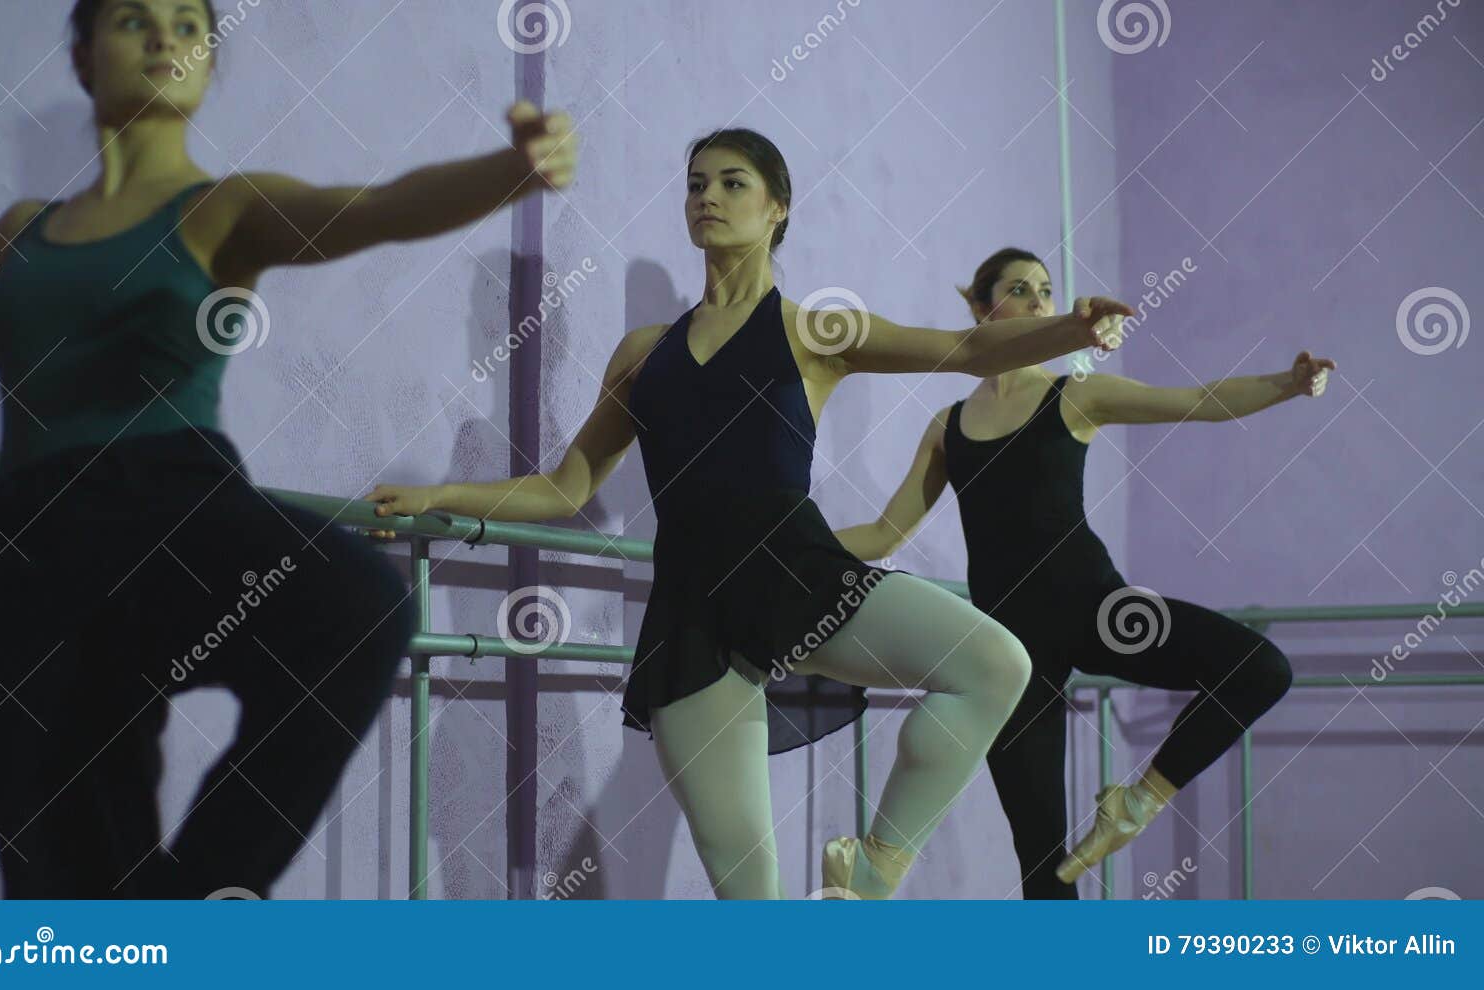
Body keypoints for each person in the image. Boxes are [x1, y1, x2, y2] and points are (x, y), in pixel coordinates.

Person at [0, 0, 577, 898]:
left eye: (190, 25)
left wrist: (510, 172)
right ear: (84, 55)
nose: (168, 38)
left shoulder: (222, 210)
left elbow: (376, 211)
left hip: (170, 509)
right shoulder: (19, 236)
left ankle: (195, 913)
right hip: (35, 557)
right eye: (136, 20)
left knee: (357, 606)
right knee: (61, 866)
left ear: (209, 64)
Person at [367, 134, 1132, 899]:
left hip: (802, 580)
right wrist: (439, 498)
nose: (709, 197)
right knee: (750, 899)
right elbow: (566, 486)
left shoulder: (814, 331)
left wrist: (1070, 330)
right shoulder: (643, 353)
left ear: (778, 209)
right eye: (697, 184)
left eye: (734, 184)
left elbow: (964, 348)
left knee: (997, 664)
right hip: (694, 620)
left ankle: (872, 870)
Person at [833, 247, 1334, 897]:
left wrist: (1286, 385)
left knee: (1259, 668)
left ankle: (1136, 801)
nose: (1042, 302)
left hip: (1101, 612)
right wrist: (777, 544)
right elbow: (883, 534)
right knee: (1045, 873)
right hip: (1006, 655)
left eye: (1047, 290)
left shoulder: (1078, 394)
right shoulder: (947, 427)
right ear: (982, 308)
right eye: (1022, 289)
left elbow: (1199, 401)